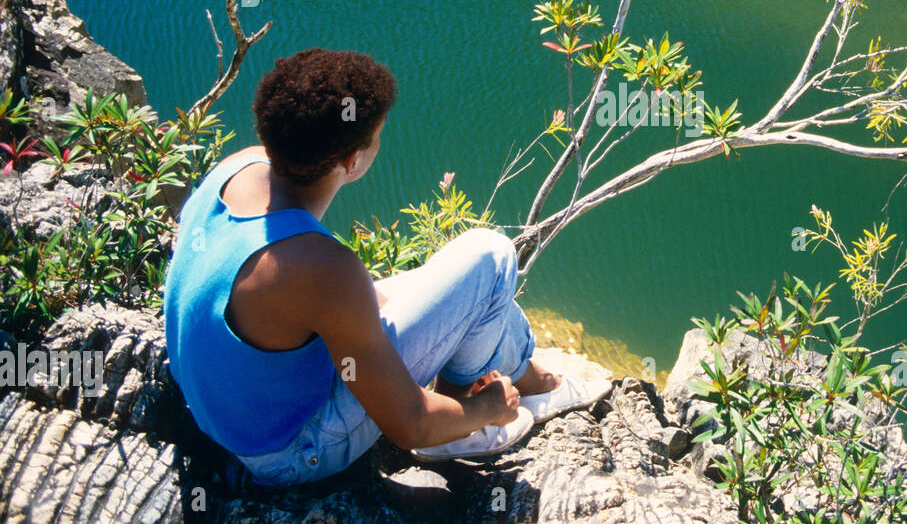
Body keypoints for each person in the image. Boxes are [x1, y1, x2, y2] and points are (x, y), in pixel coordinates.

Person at [163, 47, 609, 487]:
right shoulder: (322, 269)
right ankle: (472, 413)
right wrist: (488, 409)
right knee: (491, 256)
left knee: (474, 293)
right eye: (375, 135)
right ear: (351, 160)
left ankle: (528, 374)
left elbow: (318, 297)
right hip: (289, 453)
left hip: (222, 408)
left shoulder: (238, 167)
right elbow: (409, 424)